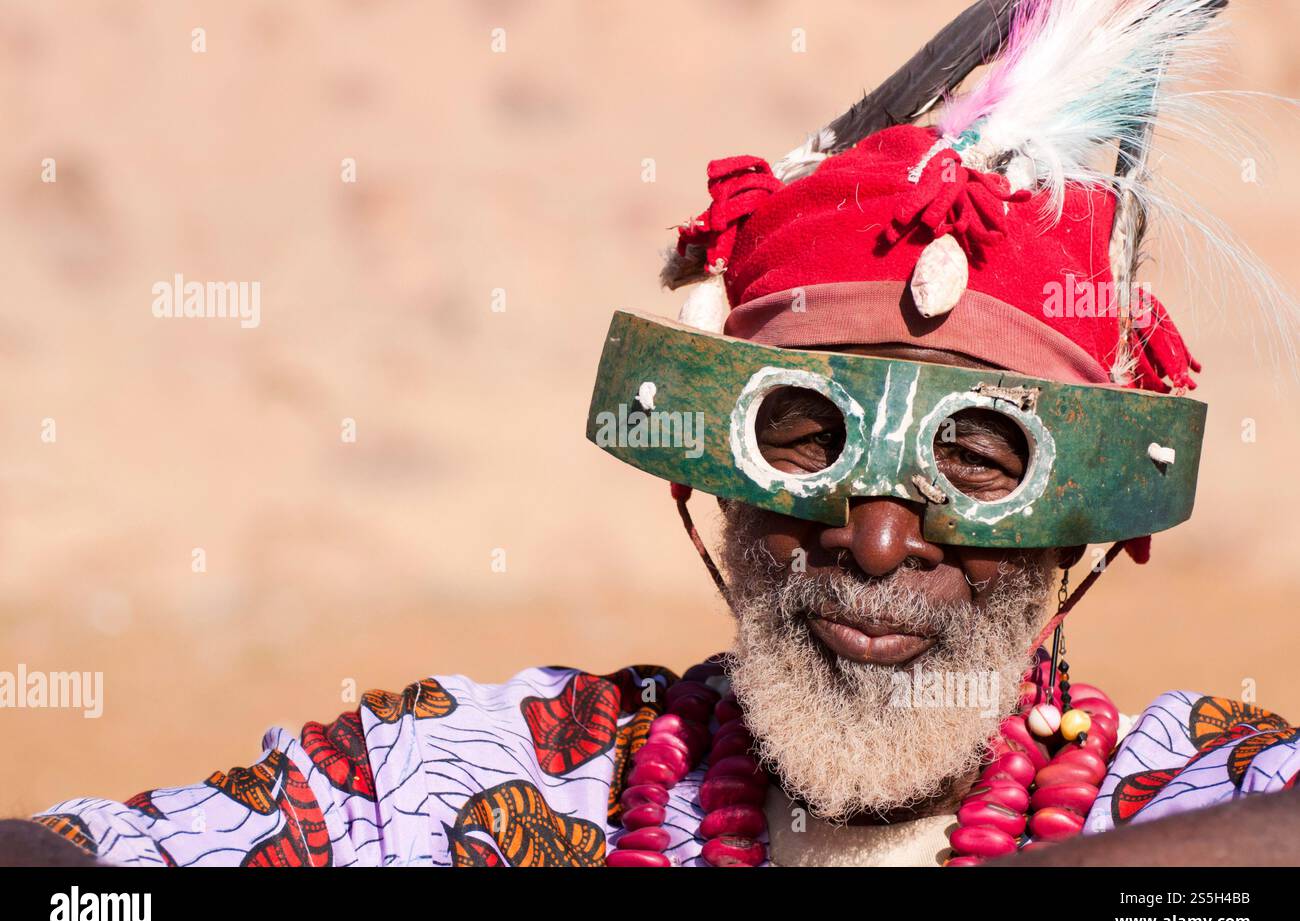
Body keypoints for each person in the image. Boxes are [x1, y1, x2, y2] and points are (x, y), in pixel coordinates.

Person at [6, 0, 1300, 867]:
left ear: (1076, 511)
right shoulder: (496, 786)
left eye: (978, 458)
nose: (880, 536)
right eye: (805, 434)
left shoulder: (1197, 802)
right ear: (716, 484)